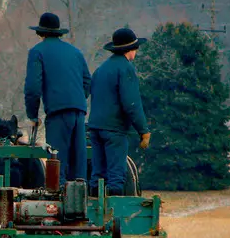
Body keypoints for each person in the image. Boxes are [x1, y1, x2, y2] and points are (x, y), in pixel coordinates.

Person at [24, 12, 91, 186]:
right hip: (79, 112)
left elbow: (32, 87)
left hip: (58, 114)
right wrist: (75, 100)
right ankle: (79, 203)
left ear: (40, 33)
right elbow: (87, 81)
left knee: (57, 165)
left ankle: (58, 205)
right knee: (78, 167)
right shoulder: (76, 52)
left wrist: (32, 115)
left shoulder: (37, 52)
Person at [88, 27, 151, 196]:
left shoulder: (101, 69)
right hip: (114, 130)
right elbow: (131, 103)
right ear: (130, 50)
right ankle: (114, 214)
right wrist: (143, 131)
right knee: (116, 176)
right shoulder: (126, 69)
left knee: (97, 174)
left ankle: (94, 212)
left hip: (94, 127)